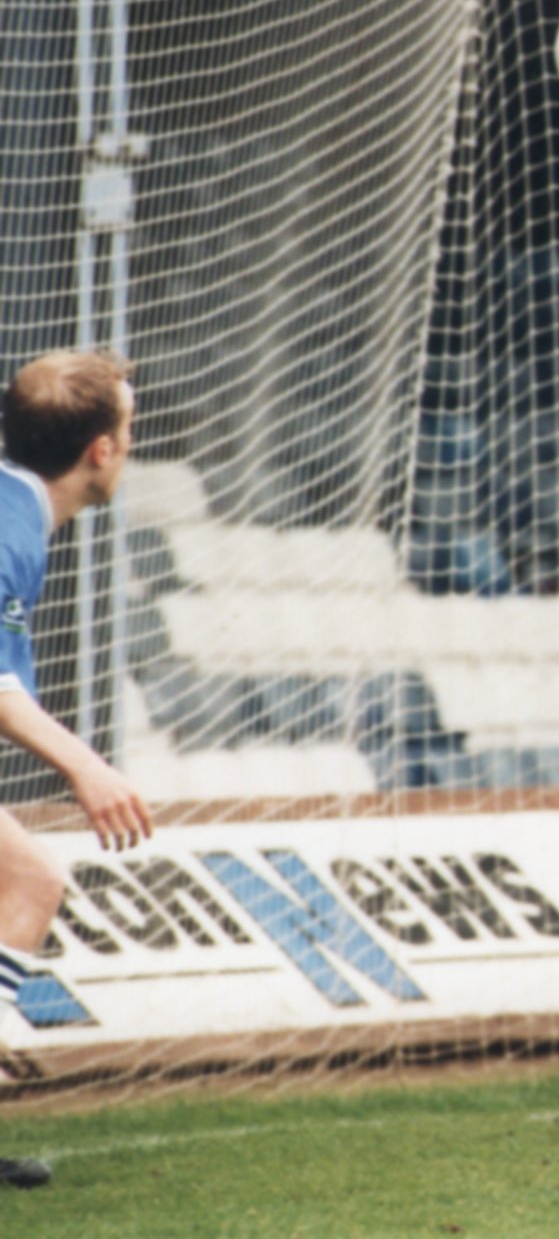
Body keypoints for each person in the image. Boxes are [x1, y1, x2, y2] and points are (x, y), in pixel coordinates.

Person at [0, 350, 157, 1191]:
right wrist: (86, 765)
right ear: (100, 450)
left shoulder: (13, 508)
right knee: (27, 884)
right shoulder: (10, 524)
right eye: (128, 431)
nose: (130, 448)